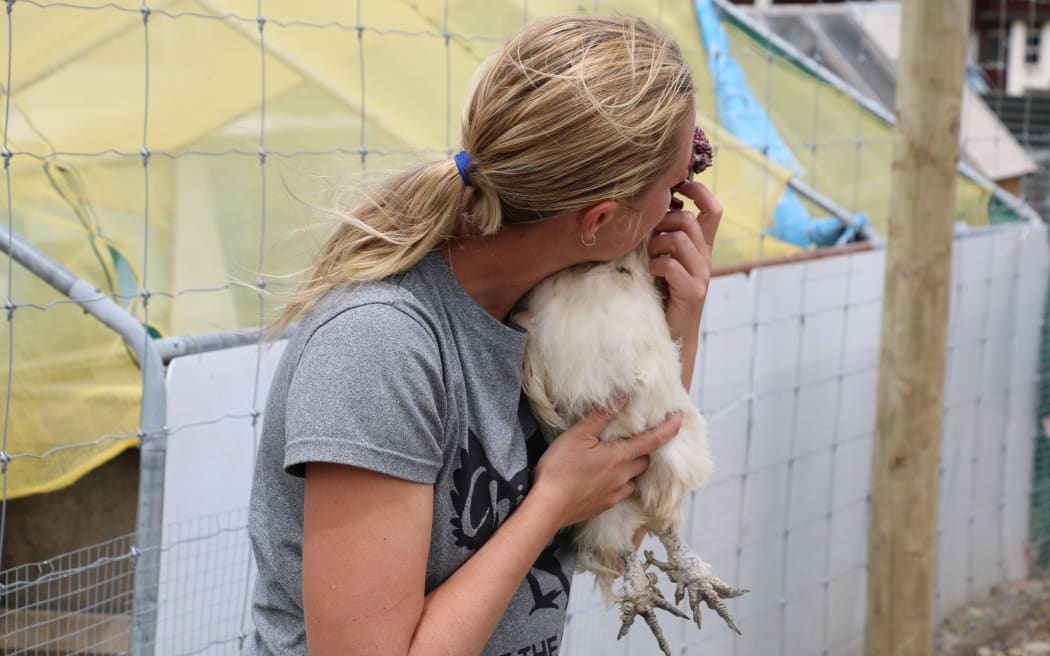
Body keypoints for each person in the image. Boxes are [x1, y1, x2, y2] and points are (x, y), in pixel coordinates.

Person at [247, 14, 722, 656]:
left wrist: (676, 326)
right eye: (672, 191)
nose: (682, 208)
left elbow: (617, 522)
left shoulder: (551, 306)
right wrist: (549, 504)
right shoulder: (381, 348)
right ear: (602, 218)